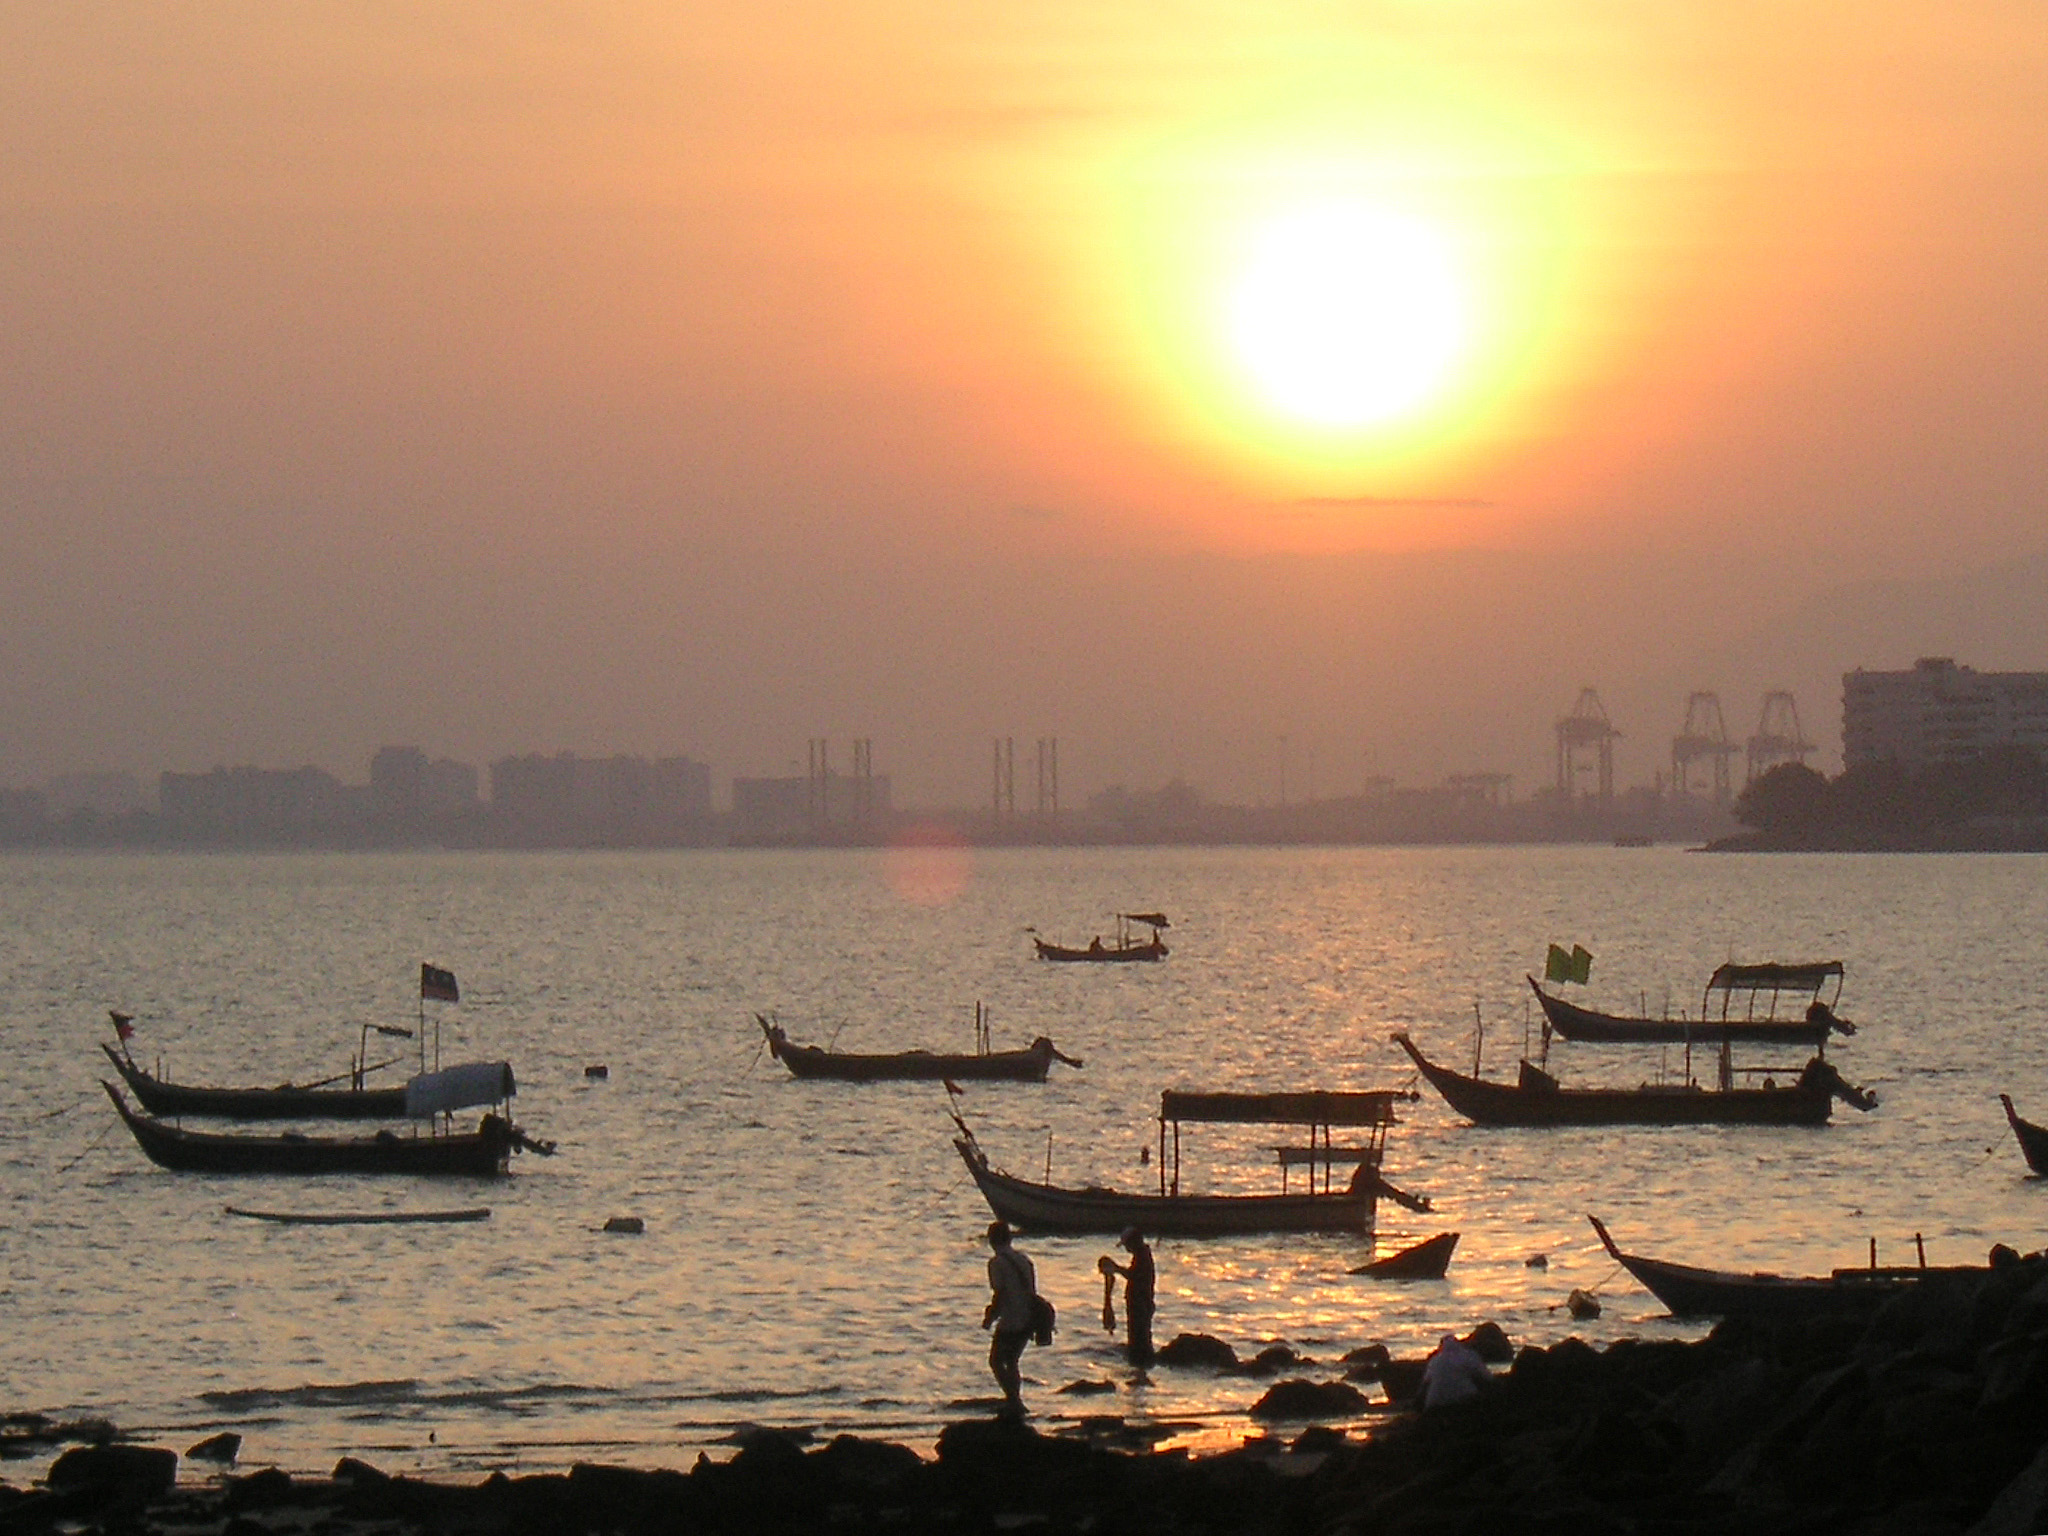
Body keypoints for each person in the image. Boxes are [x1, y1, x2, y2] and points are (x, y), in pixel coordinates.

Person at [981, 1221, 1037, 1416]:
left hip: (1011, 1320)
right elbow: (1032, 1291)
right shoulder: (1024, 1259)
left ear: (991, 1240)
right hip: (1028, 1318)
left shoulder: (996, 1263)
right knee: (1012, 1360)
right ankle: (1015, 1401)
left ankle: (1014, 1400)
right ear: (1010, 1238)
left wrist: (990, 1317)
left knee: (996, 1361)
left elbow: (1000, 1293)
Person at [1097, 1227, 1156, 1366]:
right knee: (1138, 1337)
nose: (1126, 1249)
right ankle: (1141, 1366)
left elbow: (1134, 1275)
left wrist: (1116, 1268)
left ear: (1133, 1242)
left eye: (1127, 1245)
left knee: (1139, 1338)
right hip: (1140, 1303)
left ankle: (1141, 1363)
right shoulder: (1141, 1256)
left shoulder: (1143, 1257)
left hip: (1141, 1304)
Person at [1419, 1332, 1492, 1410]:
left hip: (1434, 1402)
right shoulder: (1468, 1356)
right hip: (1462, 1398)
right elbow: (1486, 1376)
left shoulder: (1435, 1360)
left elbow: (1425, 1383)